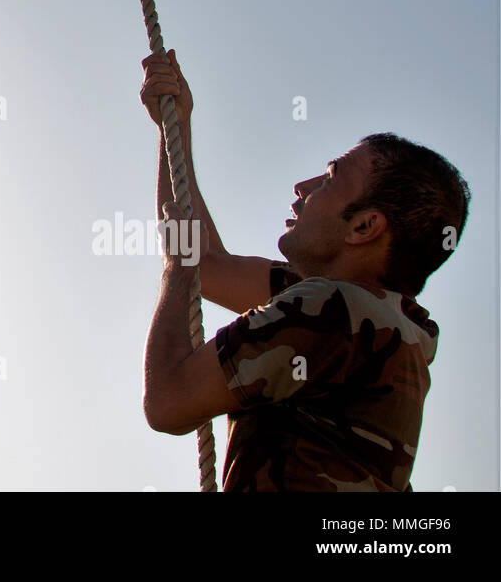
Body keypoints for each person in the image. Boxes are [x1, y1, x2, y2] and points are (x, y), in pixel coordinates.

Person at [138, 49, 469, 491]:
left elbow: (168, 402)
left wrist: (175, 271)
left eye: (331, 178)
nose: (304, 187)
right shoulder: (379, 319)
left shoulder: (329, 308)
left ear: (365, 226)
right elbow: (208, 266)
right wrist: (174, 127)